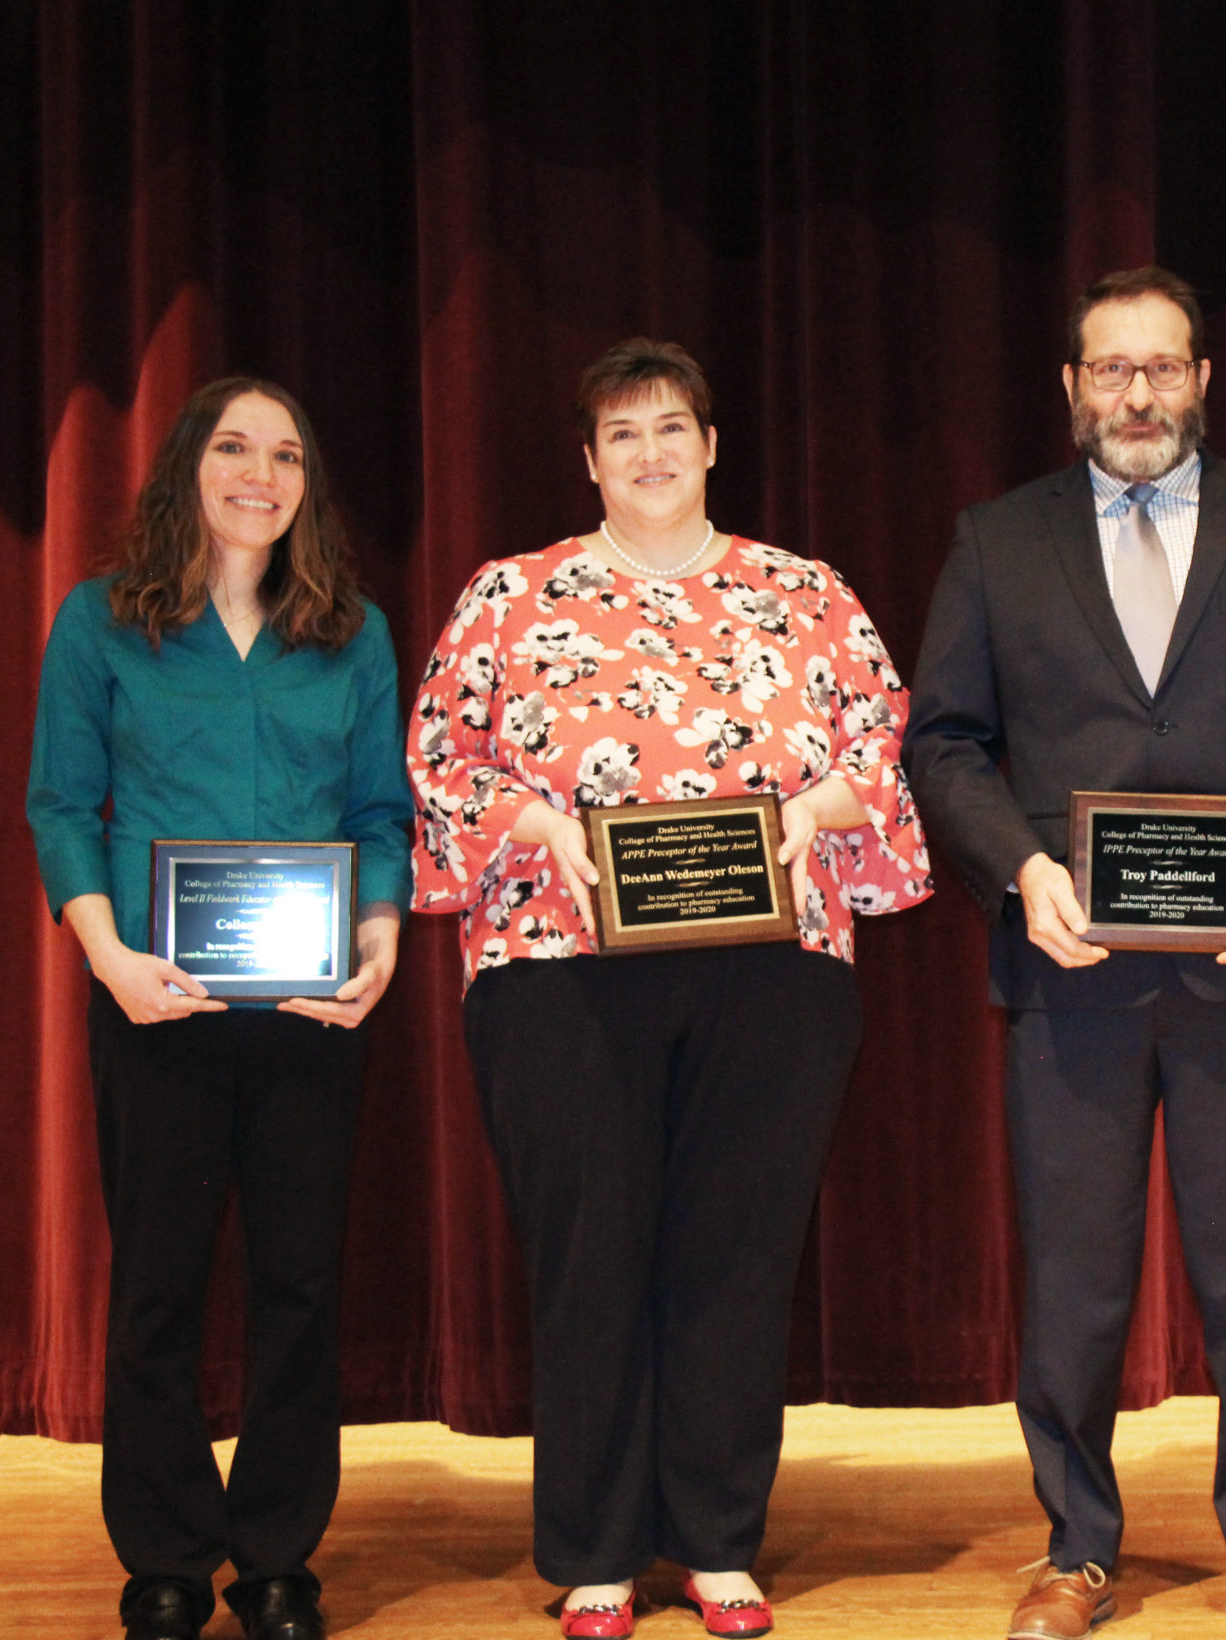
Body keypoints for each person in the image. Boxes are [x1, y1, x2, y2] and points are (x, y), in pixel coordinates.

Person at [903, 266, 1226, 1640]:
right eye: (1111, 369)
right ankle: (1076, 1548)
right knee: (1073, 1274)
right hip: (1070, 968)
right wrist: (1019, 871)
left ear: (1203, 380)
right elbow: (941, 742)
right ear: (1071, 388)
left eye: (1164, 367)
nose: (1139, 394)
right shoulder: (997, 539)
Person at [407, 338, 930, 1640]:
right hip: (561, 974)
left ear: (711, 445)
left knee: (733, 1258)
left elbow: (889, 742)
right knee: (592, 1258)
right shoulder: (508, 598)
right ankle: (593, 1549)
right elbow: (438, 760)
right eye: (622, 433)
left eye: (672, 427)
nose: (650, 451)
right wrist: (536, 824)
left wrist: (824, 800)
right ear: (589, 461)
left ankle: (714, 1539)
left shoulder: (805, 594)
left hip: (772, 978)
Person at [27, 378, 411, 1640]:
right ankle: (168, 1559)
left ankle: (280, 1555)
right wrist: (108, 958)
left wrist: (379, 938)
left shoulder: (349, 633)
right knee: (157, 1284)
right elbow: (59, 806)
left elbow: (377, 815)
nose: (263, 474)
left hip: (308, 1015)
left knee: (298, 1282)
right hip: (156, 1003)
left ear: (308, 484)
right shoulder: (100, 623)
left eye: (288, 454)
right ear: (189, 465)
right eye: (237, 448)